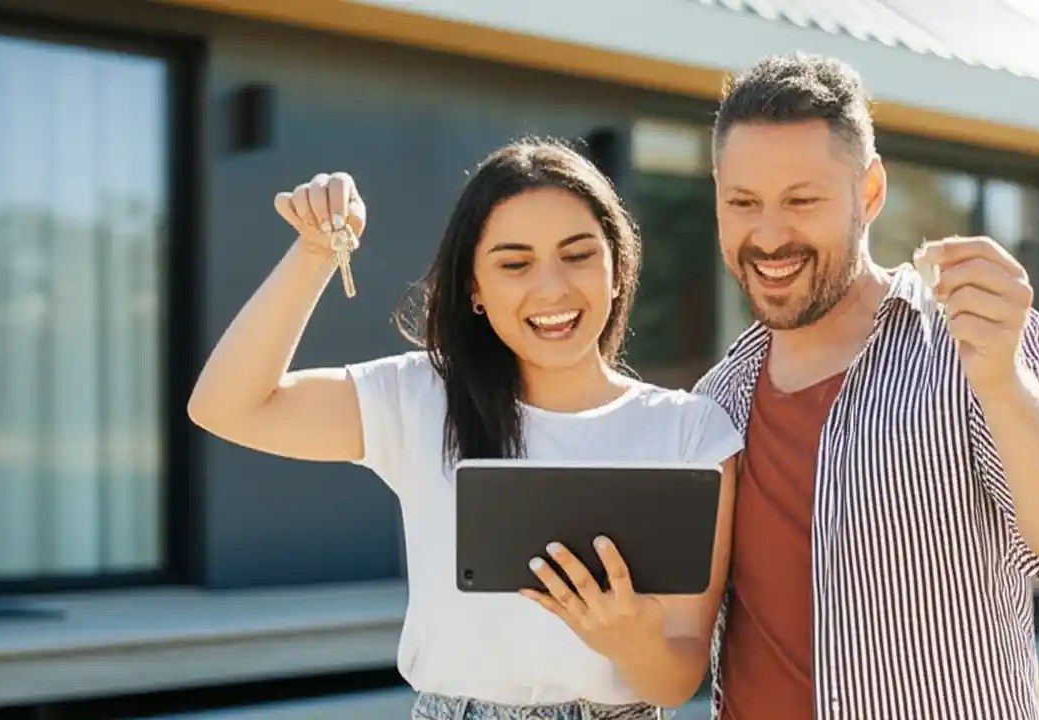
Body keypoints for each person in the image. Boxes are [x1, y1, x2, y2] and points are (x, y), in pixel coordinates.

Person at [187, 138, 743, 720]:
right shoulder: (422, 398)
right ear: (474, 288)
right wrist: (314, 253)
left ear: (617, 267)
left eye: (578, 254)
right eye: (514, 263)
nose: (552, 288)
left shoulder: (691, 431)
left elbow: (677, 680)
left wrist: (626, 635)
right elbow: (226, 407)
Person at [693, 54, 1039, 720]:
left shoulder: (976, 344)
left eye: (802, 200)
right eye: (742, 202)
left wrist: (1003, 384)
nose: (769, 235)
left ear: (870, 192)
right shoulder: (715, 404)